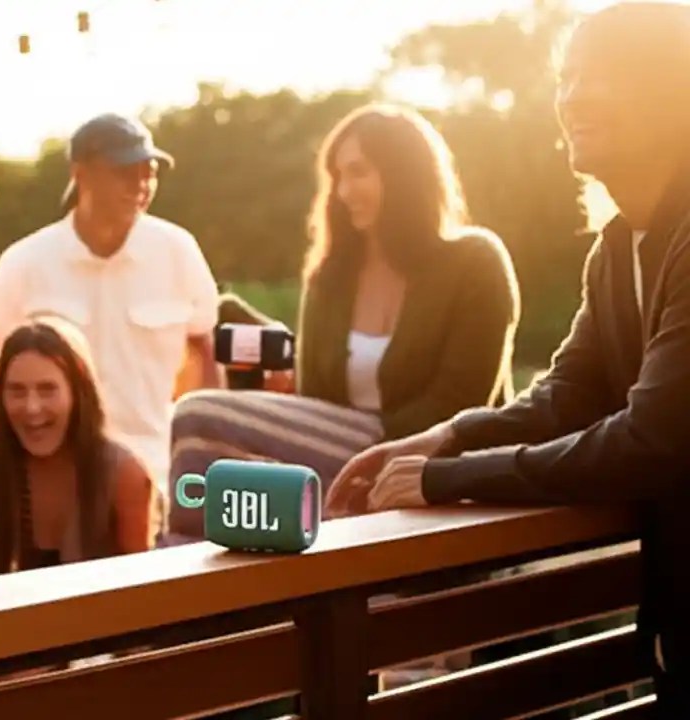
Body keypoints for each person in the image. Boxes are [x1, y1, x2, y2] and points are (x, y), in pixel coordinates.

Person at [326, 4, 690, 714]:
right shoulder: (615, 251)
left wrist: (447, 478)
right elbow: (567, 396)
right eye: (566, 78)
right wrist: (445, 438)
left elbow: (651, 442)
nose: (572, 98)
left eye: (600, 76)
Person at [167, 103, 520, 541]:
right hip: (339, 450)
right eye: (337, 176)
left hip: (437, 455)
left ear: (404, 174)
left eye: (358, 172)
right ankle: (204, 559)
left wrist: (370, 454)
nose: (343, 190)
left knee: (197, 415)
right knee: (223, 461)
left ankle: (188, 559)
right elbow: (316, 396)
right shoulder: (330, 277)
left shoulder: (474, 261)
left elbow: (461, 400)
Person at [0, 113, 220, 530]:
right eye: (125, 171)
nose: (140, 184)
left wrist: (199, 464)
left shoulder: (178, 251)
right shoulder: (25, 261)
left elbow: (202, 360)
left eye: (149, 172)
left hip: (156, 475)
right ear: (80, 173)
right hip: (49, 485)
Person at [0, 317, 158, 572]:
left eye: (47, 389)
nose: (32, 408)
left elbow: (140, 583)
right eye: (16, 391)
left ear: (77, 392)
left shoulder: (124, 474)